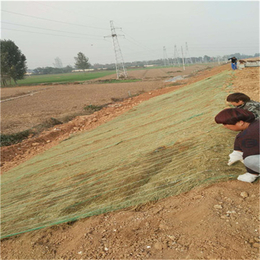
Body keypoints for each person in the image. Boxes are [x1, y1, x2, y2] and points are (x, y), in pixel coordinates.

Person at [215, 108, 260, 183]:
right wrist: (237, 151)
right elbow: (240, 136)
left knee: (249, 160)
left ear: (240, 122)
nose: (224, 126)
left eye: (226, 124)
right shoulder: (256, 123)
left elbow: (249, 155)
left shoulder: (248, 135)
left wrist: (251, 173)